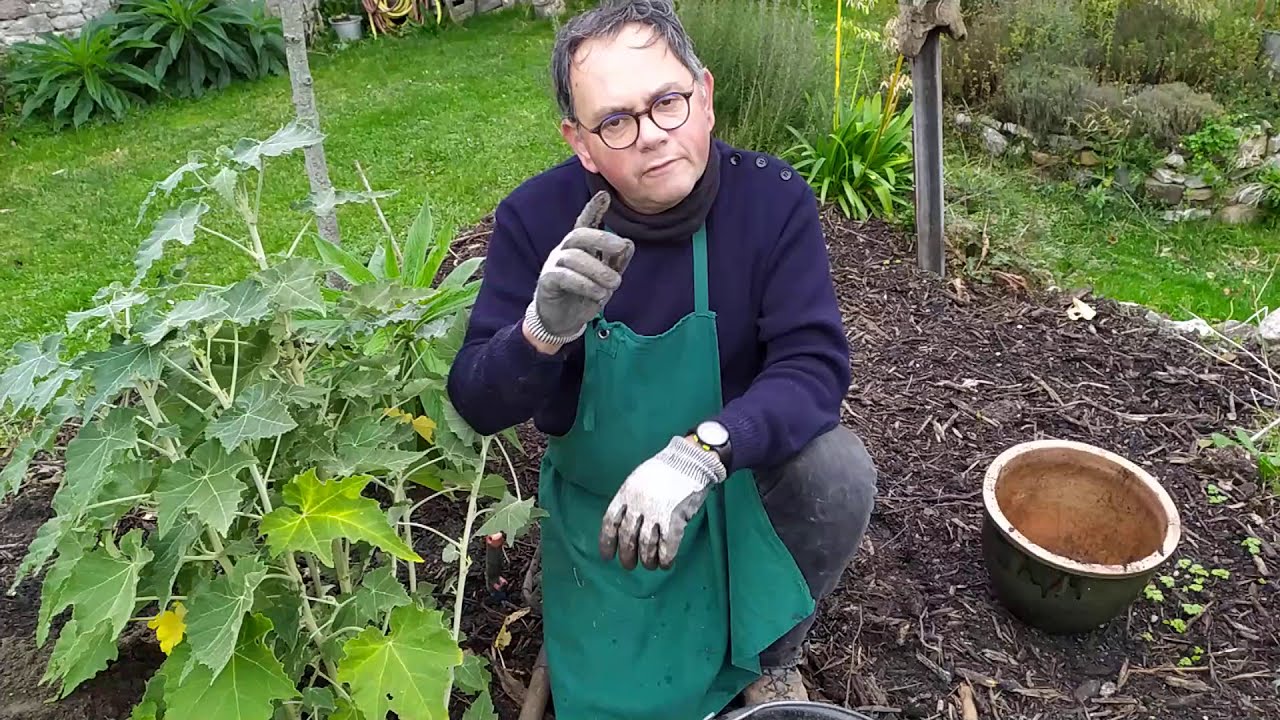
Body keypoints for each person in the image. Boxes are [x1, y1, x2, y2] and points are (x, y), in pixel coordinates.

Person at [445, 0, 877, 717]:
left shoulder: (771, 202)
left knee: (837, 470)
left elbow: (813, 366)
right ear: (581, 143)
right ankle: (568, 598)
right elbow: (475, 401)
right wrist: (540, 333)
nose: (651, 137)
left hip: (729, 482)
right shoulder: (537, 219)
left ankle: (773, 654)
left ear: (703, 97)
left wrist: (703, 453)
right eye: (616, 121)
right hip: (601, 510)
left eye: (667, 102)